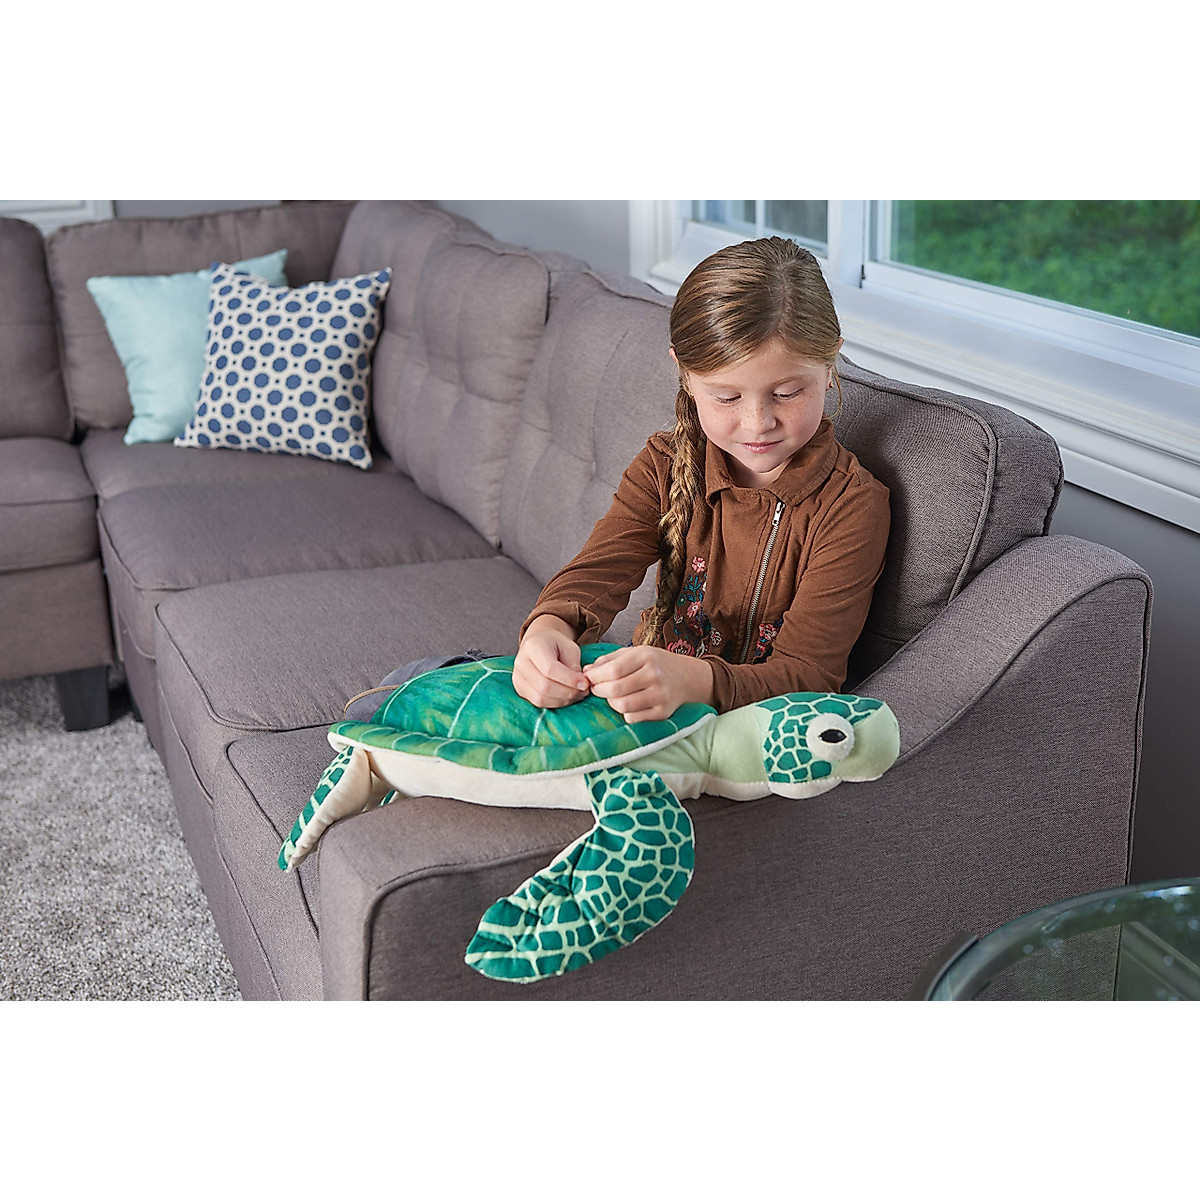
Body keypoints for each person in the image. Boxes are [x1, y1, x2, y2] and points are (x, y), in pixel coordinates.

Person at [512, 235, 891, 724]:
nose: (758, 423)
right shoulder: (664, 465)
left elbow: (809, 676)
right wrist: (547, 629)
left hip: (754, 731)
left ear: (830, 364)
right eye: (727, 398)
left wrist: (697, 682)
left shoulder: (850, 506)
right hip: (645, 710)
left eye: (787, 392)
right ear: (686, 376)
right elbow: (598, 571)